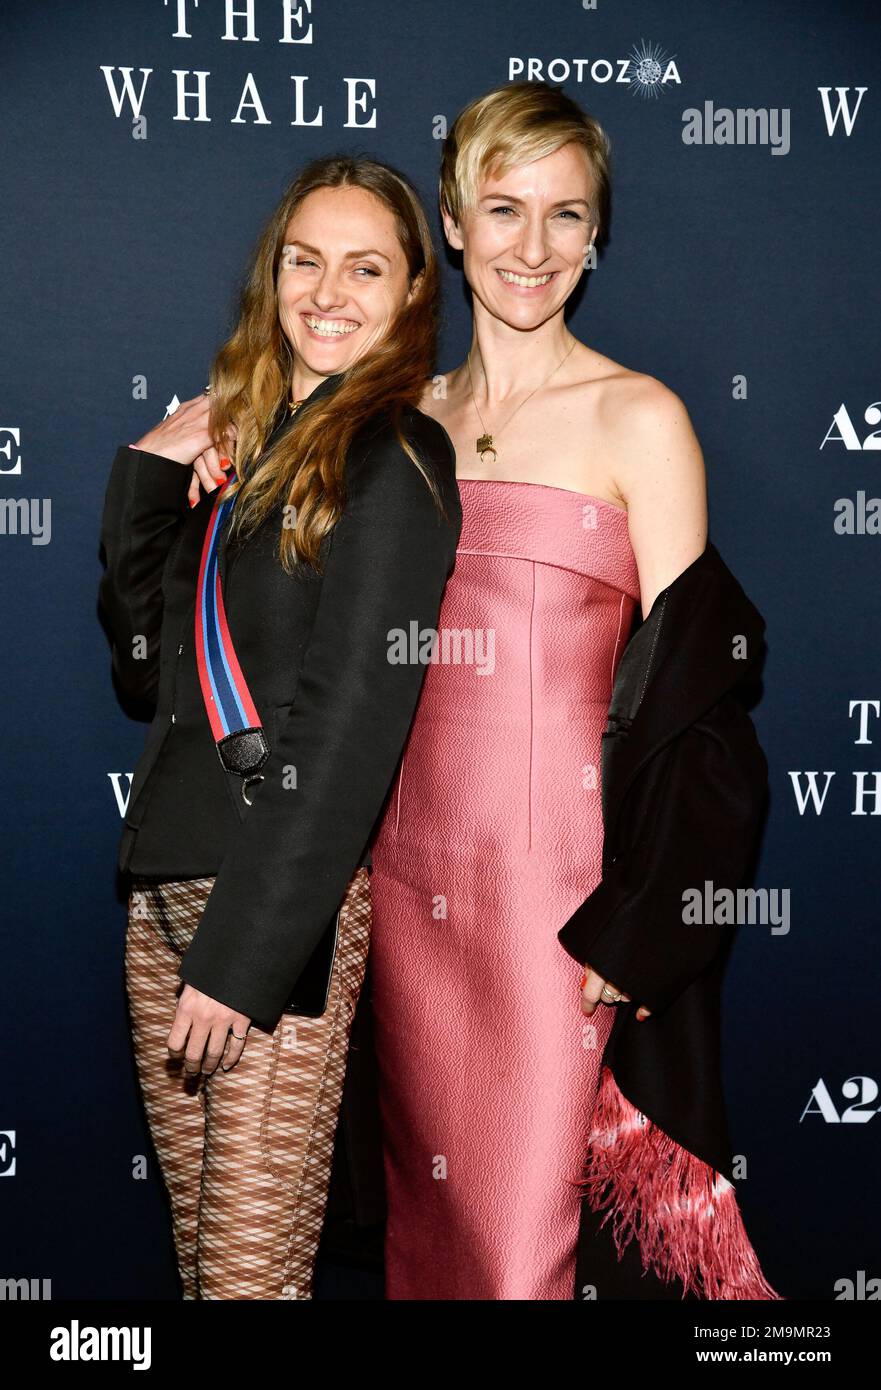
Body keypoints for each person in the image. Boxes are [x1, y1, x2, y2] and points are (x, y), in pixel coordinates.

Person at [367, 82, 781, 1299]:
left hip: (562, 908)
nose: (533, 246)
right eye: (503, 208)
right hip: (401, 898)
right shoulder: (397, 424)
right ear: (451, 222)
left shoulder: (636, 417)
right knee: (427, 1245)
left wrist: (646, 918)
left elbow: (697, 699)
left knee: (521, 1254)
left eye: (566, 214)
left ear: (596, 232)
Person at [97, 155, 461, 1300]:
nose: (327, 292)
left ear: (412, 291)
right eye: (305, 261)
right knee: (202, 1273)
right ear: (272, 274)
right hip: (162, 893)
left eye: (365, 267)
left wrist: (244, 960)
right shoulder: (254, 444)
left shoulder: (395, 458)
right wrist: (150, 475)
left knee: (248, 1286)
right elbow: (143, 662)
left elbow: (350, 731)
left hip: (269, 917)